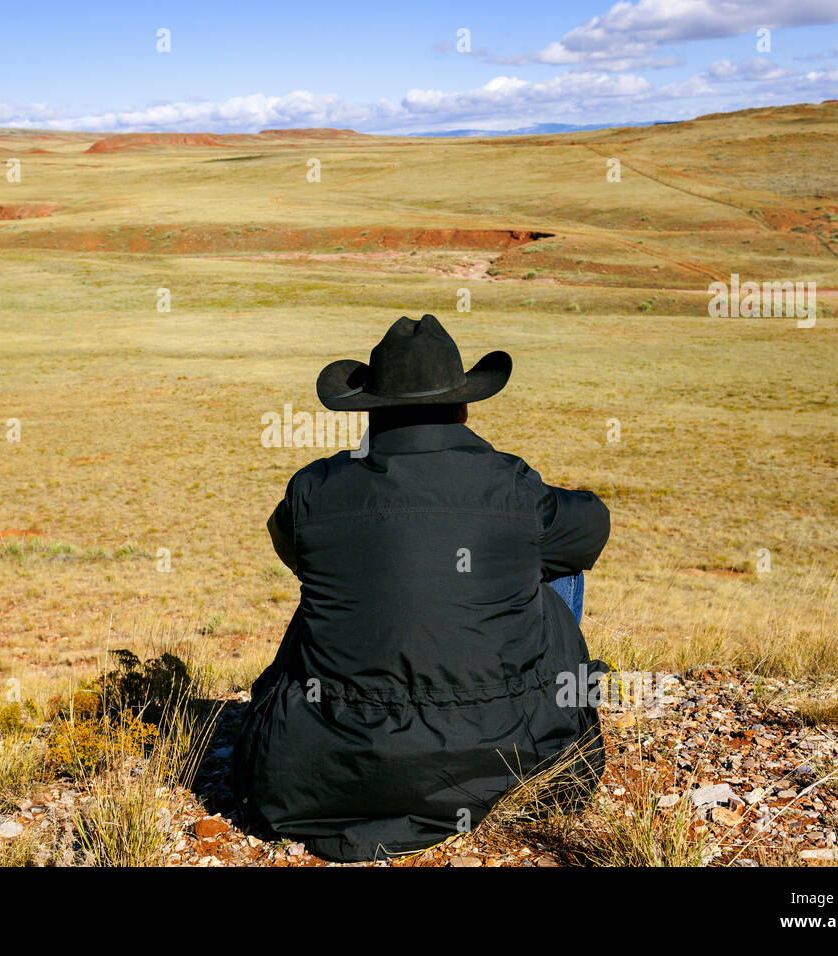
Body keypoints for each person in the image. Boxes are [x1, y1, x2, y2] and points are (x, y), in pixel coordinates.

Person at [232, 314, 610, 862]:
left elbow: (293, 551)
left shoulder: (313, 489)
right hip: (511, 753)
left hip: (324, 769)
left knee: (339, 577)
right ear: (463, 406)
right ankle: (537, 705)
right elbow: (592, 529)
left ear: (369, 411)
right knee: (553, 558)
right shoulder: (513, 485)